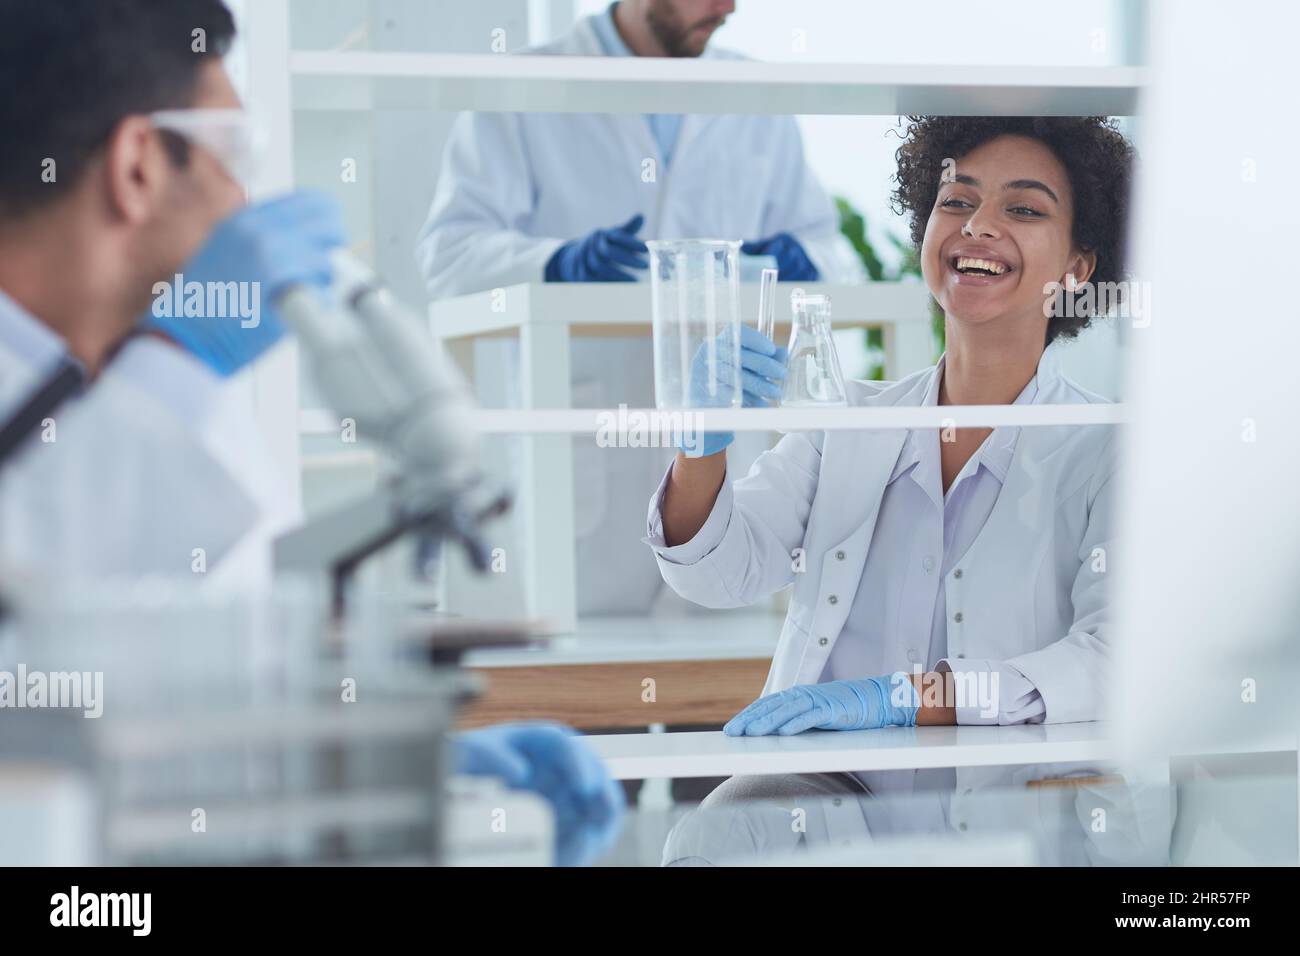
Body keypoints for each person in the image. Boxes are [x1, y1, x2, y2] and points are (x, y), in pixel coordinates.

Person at [0, 0, 621, 866]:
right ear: (137, 165)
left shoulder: (163, 400)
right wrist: (179, 363)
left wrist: (398, 779)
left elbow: (177, 718)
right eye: (233, 157)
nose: (245, 200)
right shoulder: (160, 393)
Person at [644, 116, 1135, 827]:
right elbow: (719, 572)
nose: (979, 226)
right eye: (957, 201)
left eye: (1023, 209)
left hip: (1016, 816)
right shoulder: (850, 423)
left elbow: (1111, 662)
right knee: (716, 835)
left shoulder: (1106, 448)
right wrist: (701, 444)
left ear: (1078, 268)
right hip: (834, 807)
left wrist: (908, 696)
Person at [416, 0, 865, 616]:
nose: (728, 7)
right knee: (588, 676)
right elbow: (449, 253)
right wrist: (556, 261)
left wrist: (805, 258)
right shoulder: (523, 87)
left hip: (729, 458)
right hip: (594, 439)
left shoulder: (753, 96)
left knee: (731, 673)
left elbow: (832, 248)